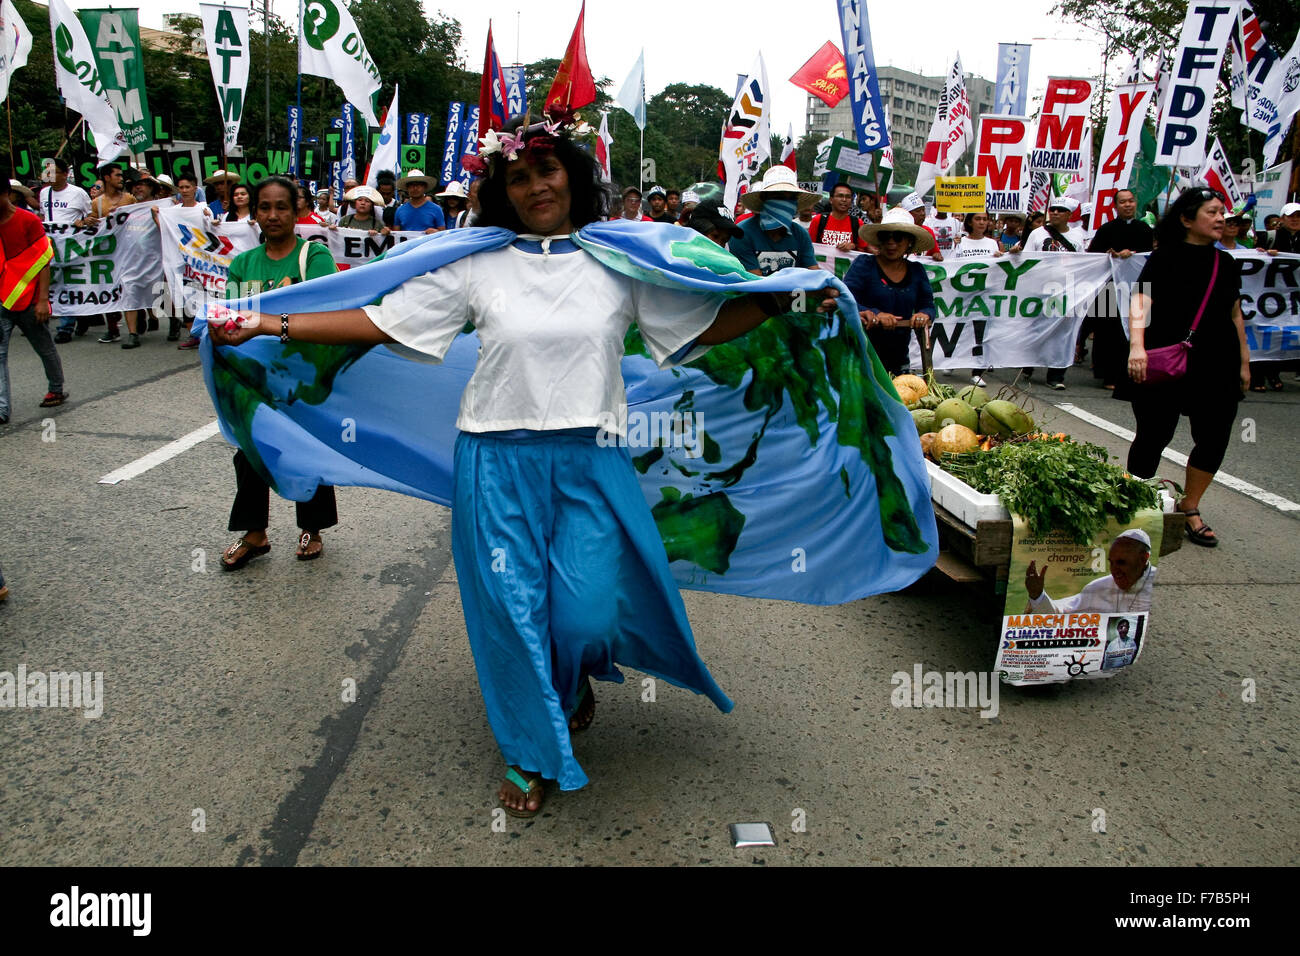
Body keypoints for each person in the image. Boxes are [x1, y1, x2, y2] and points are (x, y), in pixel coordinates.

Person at [208, 115, 838, 817]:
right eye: (519, 176)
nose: (537, 185)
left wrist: (778, 302)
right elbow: (382, 320)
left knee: (586, 616)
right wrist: (269, 324)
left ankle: (571, 681)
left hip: (591, 462)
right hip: (494, 462)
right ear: (502, 189)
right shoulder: (476, 264)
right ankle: (532, 753)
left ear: (572, 174)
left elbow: (695, 328)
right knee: (512, 614)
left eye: (548, 170)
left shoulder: (617, 262)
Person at [215, 176, 341, 572]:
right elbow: (230, 318)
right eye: (264, 207)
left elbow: (325, 315)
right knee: (249, 451)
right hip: (254, 377)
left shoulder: (314, 257)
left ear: (296, 211)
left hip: (302, 375)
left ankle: (312, 528)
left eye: (281, 207)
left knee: (306, 449)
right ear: (254, 214)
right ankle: (254, 533)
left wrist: (270, 325)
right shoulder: (241, 264)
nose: (272, 215)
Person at [1124, 187, 1251, 547]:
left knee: (1213, 437)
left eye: (1221, 212)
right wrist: (1137, 347)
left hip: (1218, 363)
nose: (1221, 218)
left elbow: (1235, 314)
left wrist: (1244, 362)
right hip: (1165, 360)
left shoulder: (1225, 263)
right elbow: (1140, 303)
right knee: (1153, 433)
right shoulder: (1163, 259)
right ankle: (1134, 502)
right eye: (1211, 212)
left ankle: (1190, 506)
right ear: (1186, 219)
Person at [0, 158, 66, 424]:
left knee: (44, 347)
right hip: (2, 300)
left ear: (7, 194)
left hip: (28, 300)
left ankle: (57, 389)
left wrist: (42, 300)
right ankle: (2, 408)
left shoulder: (28, 221)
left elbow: (43, 261)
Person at [847, 207, 936, 376]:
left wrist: (924, 314)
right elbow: (847, 300)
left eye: (898, 238)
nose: (891, 243)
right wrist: (875, 314)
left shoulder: (916, 271)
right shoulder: (864, 265)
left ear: (909, 241)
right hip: (862, 356)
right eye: (885, 237)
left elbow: (928, 305)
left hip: (899, 360)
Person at [1015, 197, 1085, 389]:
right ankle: (1029, 363)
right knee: (1035, 328)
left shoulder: (1078, 238)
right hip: (1039, 291)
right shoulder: (1037, 234)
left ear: (1069, 215)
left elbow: (1083, 265)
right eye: (1052, 209)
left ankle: (1056, 374)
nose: (1054, 212)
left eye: (1060, 210)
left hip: (1066, 292)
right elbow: (1026, 260)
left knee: (1062, 333)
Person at [1088, 189, 1154, 390]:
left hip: (1137, 287)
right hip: (1110, 287)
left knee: (1138, 326)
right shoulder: (1106, 229)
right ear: (1115, 206)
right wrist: (1109, 255)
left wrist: (1132, 254)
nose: (1127, 205)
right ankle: (1108, 374)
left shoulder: (1145, 229)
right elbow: (1093, 255)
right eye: (1123, 202)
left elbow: (1149, 255)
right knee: (1108, 330)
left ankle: (1135, 371)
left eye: (1131, 201)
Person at [1024, 529, 1155, 613]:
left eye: (1121, 562)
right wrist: (1037, 594)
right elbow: (1061, 613)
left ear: (1143, 559)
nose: (1115, 571)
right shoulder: (1098, 588)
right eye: (1111, 563)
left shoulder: (1158, 583)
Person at [729, 165, 820, 276]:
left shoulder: (800, 234)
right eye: (779, 196)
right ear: (764, 198)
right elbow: (755, 282)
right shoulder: (742, 233)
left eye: (791, 198)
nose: (785, 204)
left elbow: (814, 274)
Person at [39, 158, 93, 343]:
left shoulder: (78, 193)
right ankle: (80, 316)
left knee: (69, 285)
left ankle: (65, 327)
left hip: (72, 248)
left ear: (64, 174)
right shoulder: (44, 193)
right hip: (49, 248)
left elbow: (91, 217)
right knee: (53, 284)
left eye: (53, 171)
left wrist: (83, 223)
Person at [90, 163, 137, 346]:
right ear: (107, 178)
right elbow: (93, 228)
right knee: (108, 288)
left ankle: (134, 328)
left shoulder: (130, 199)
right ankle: (113, 328)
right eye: (117, 175)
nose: (121, 178)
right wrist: (88, 221)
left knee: (130, 288)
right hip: (109, 254)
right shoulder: (97, 203)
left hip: (129, 250)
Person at [808, 183, 869, 251]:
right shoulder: (818, 220)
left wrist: (853, 246)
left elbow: (863, 250)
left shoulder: (858, 223)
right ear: (831, 200)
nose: (844, 199)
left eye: (848, 197)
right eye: (840, 196)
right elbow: (809, 246)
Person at [897, 192, 943, 262]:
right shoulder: (899, 231)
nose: (922, 213)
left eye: (923, 210)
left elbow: (935, 252)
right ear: (908, 214)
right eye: (918, 211)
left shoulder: (928, 232)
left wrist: (936, 255)